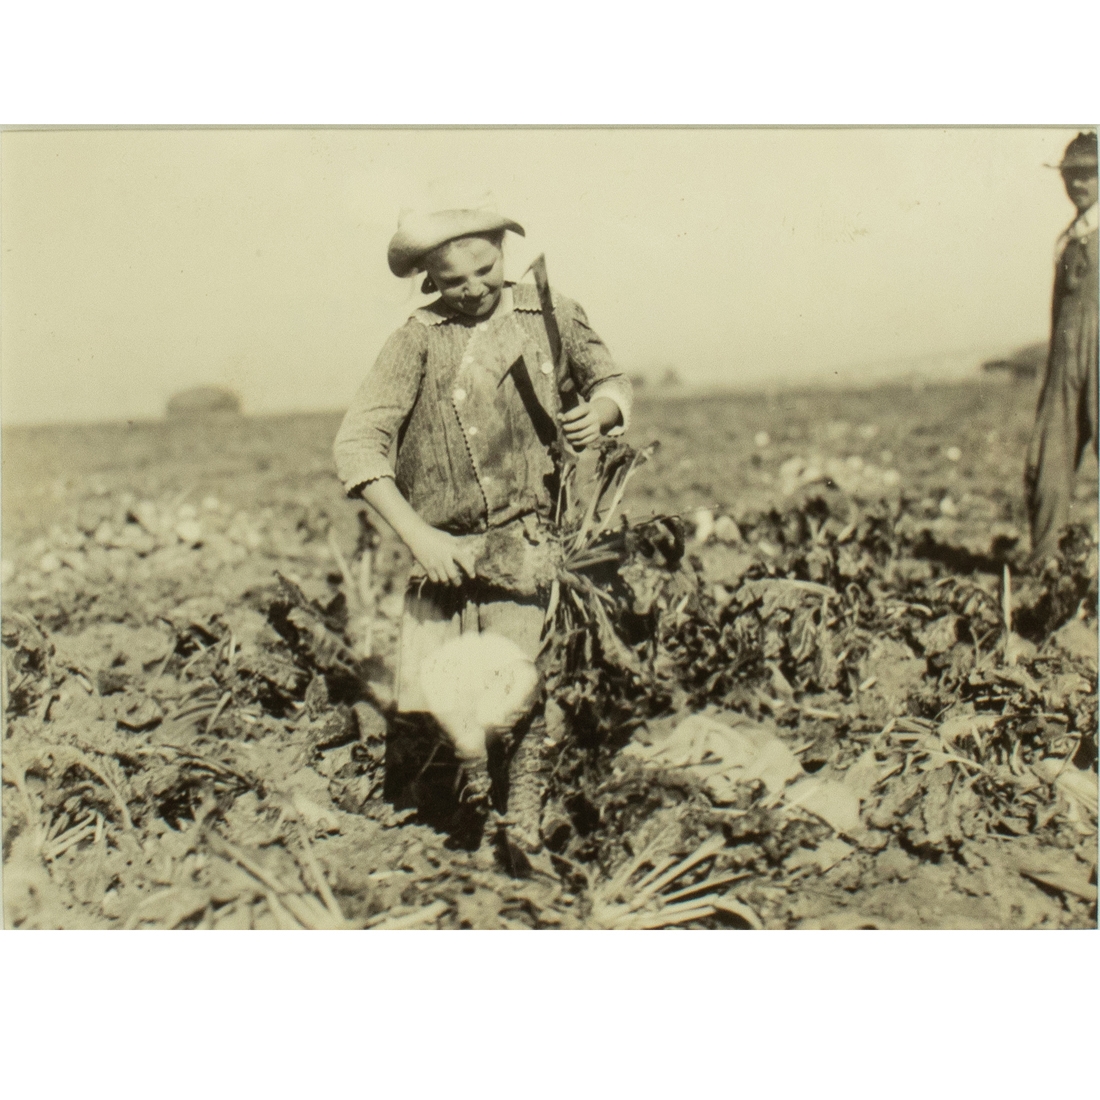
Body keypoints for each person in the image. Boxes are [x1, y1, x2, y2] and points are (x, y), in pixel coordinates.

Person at [333, 208, 632, 846]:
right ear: (428, 282)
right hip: (445, 548)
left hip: (526, 540)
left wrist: (601, 413)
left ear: (503, 252)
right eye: (451, 280)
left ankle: (519, 815)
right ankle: (472, 802)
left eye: (485, 269)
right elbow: (358, 446)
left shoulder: (550, 315)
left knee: (519, 683)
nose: (471, 288)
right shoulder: (417, 339)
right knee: (454, 693)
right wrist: (420, 537)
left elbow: (608, 378)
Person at [1025, 131, 1098, 562]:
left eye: (1088, 175)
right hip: (1066, 354)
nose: (1078, 184)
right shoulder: (1065, 240)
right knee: (1046, 456)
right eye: (1071, 176)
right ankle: (1046, 562)